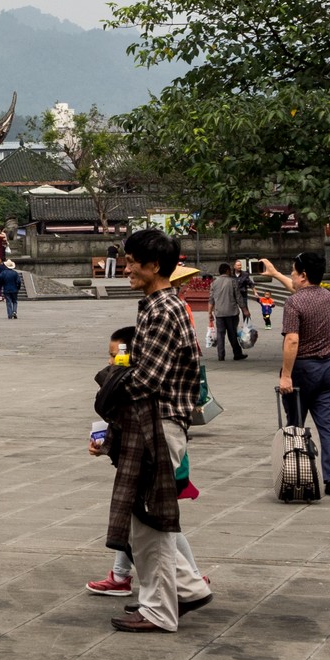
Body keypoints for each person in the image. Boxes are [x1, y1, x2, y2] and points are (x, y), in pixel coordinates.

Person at [102, 229, 211, 633]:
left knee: (152, 522)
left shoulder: (163, 309)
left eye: (132, 262)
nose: (126, 268)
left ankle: (160, 608)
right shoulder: (156, 305)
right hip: (155, 422)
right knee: (147, 519)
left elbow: (147, 379)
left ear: (154, 266)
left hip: (160, 422)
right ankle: (184, 588)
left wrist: (111, 381)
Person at [87, 326, 207, 598]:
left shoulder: (148, 383)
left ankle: (191, 581)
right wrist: (104, 444)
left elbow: (136, 421)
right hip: (157, 453)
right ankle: (121, 576)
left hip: (162, 457)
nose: (110, 361)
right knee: (138, 516)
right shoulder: (136, 380)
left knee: (157, 521)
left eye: (114, 355)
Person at [262, 253, 330, 495]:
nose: (292, 276)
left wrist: (286, 375)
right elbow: (299, 290)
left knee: (295, 425)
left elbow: (292, 340)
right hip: (328, 369)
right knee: (327, 426)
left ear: (303, 275)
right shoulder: (328, 297)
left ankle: (296, 470)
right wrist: (276, 274)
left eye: (294, 272)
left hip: (303, 370)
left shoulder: (293, 303)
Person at [207, 263, 248, 361]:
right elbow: (238, 297)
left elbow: (211, 299)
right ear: (227, 271)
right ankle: (237, 353)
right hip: (231, 312)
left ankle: (221, 355)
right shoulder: (233, 281)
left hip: (219, 313)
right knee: (232, 333)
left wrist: (209, 313)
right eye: (229, 270)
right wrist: (245, 310)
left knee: (220, 335)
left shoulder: (214, 283)